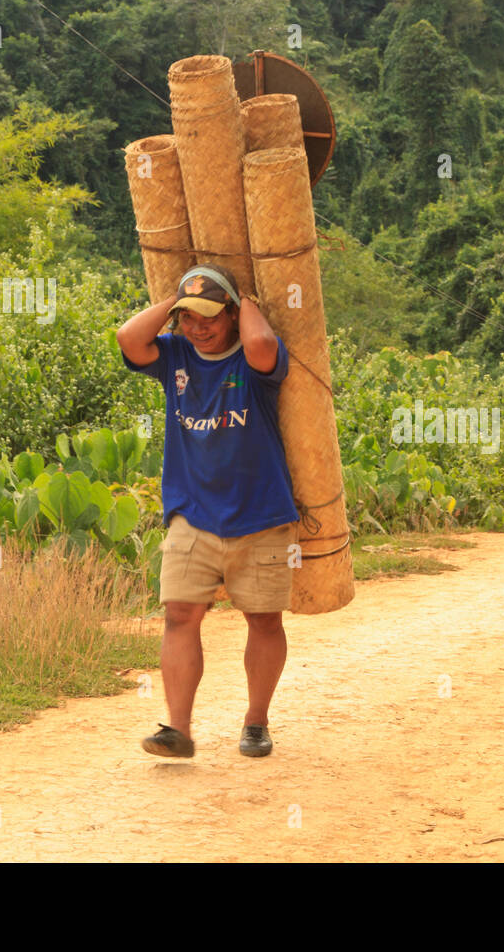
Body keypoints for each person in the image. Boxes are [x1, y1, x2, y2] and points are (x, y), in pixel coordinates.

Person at [116, 263, 300, 759]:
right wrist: (175, 300)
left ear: (233, 316)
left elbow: (263, 348)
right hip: (191, 514)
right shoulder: (174, 354)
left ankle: (256, 721)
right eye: (189, 318)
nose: (199, 327)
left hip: (260, 515)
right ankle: (178, 729)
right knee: (179, 615)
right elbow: (129, 337)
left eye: (211, 316)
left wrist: (249, 300)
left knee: (263, 620)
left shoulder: (253, 358)